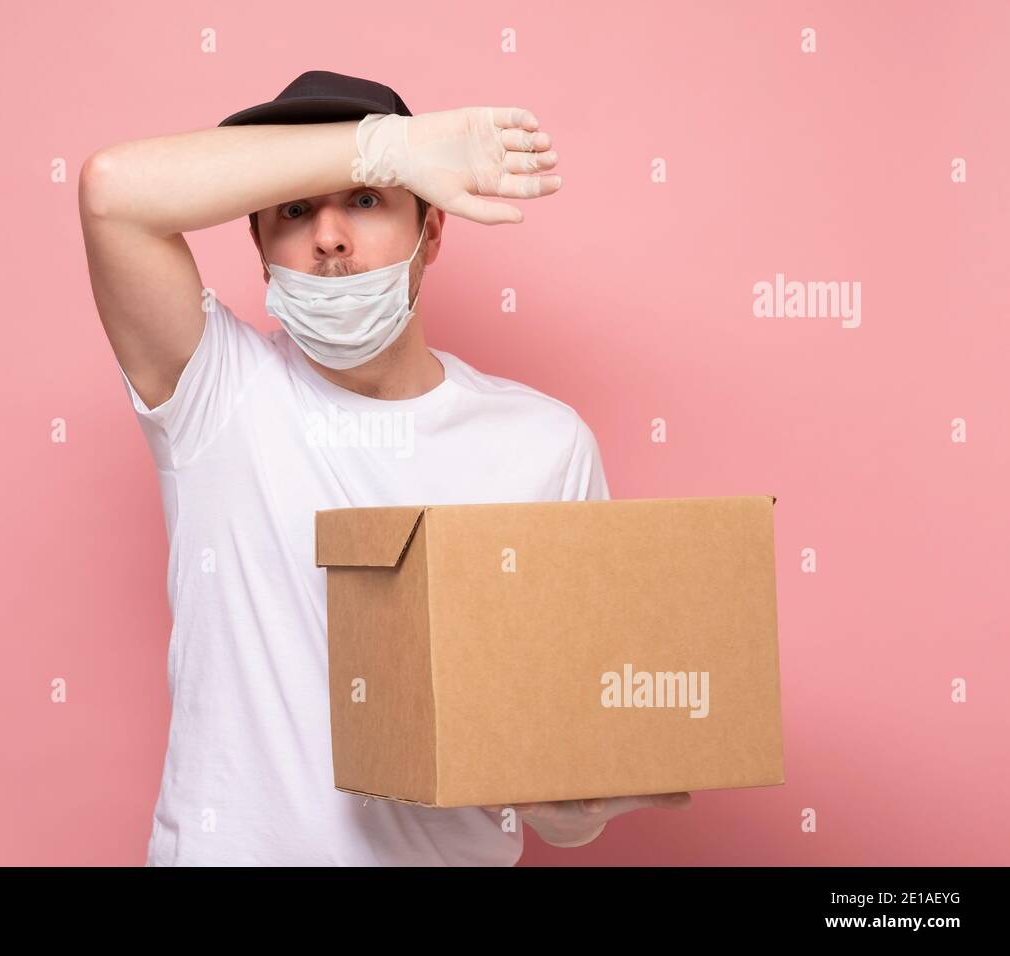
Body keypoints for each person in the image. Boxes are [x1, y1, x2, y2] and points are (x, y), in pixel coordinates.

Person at [77, 70, 690, 866]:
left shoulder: (544, 443)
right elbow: (110, 193)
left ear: (432, 233)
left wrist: (576, 802)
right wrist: (389, 148)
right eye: (295, 210)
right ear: (261, 252)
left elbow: (566, 775)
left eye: (366, 198)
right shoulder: (215, 393)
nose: (330, 238)